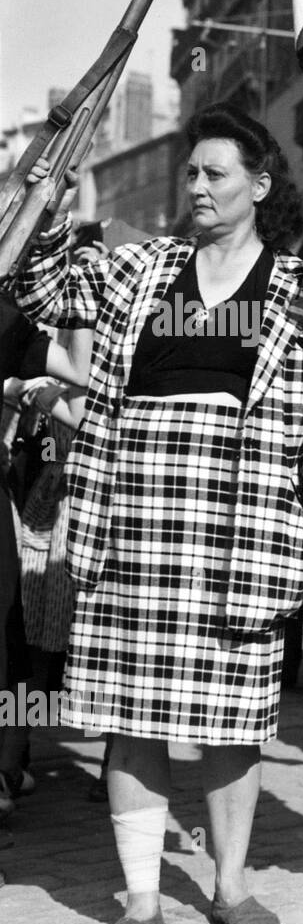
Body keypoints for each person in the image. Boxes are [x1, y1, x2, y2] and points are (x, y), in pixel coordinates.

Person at [14, 105, 303, 924]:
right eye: (192, 174)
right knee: (129, 719)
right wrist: (43, 202)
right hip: (133, 522)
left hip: (240, 534)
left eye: (216, 174)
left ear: (260, 186)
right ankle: (140, 898)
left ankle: (231, 885)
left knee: (232, 721)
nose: (198, 187)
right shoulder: (138, 265)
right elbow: (37, 289)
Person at [0, 296, 87, 825]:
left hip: (57, 520)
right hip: (35, 517)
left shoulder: (38, 351)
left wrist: (38, 391)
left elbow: (75, 417)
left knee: (33, 653)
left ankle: (13, 760)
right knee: (25, 650)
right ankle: (13, 760)